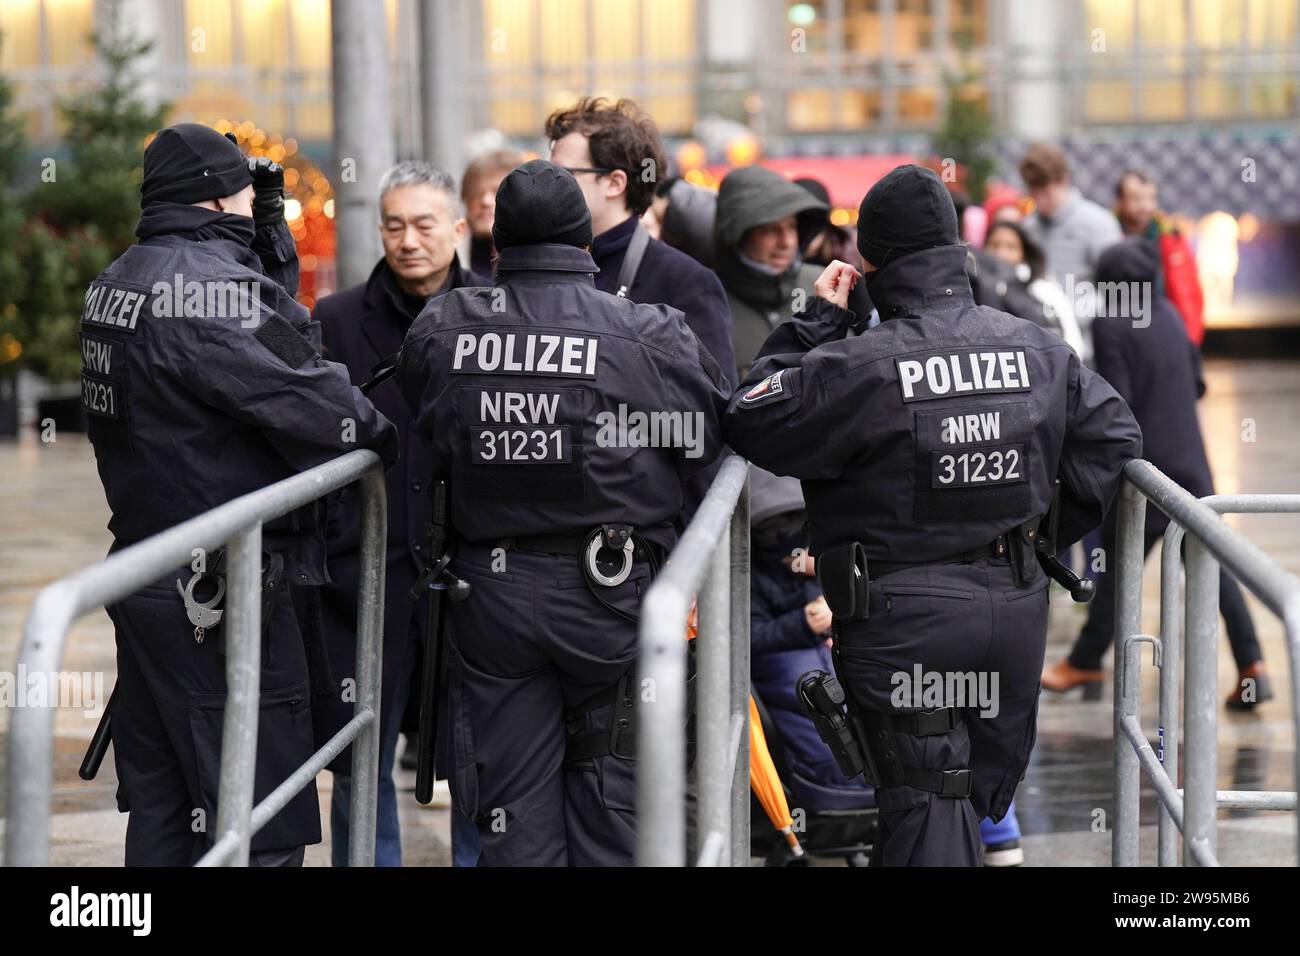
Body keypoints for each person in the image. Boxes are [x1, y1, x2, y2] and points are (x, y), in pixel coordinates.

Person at [724, 164, 1142, 866]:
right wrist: (1036, 535)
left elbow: (751, 414)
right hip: (1011, 614)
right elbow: (1114, 438)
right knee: (954, 807)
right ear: (959, 251)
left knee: (924, 807)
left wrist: (815, 324)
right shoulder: (1036, 348)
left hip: (902, 617)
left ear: (870, 262)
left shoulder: (857, 363)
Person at [397, 159, 730, 865]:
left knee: (512, 820)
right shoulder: (645, 332)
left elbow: (426, 408)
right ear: (585, 245)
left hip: (491, 600)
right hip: (612, 598)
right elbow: (710, 425)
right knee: (615, 810)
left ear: (494, 246)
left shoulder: (444, 326)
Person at [82, 123, 398, 866]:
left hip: (148, 573)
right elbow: (315, 398)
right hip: (225, 597)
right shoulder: (212, 293)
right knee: (258, 816)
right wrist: (377, 432)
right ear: (219, 197)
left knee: (164, 809)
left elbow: (253, 340)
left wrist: (260, 241)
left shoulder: (119, 278)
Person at [314, 161, 487, 867]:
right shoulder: (334, 321)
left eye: (423, 224)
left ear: (457, 226)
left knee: (480, 759)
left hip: (476, 575)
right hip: (368, 577)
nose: (408, 240)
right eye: (393, 224)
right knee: (362, 757)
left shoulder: (497, 313)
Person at [1041, 237, 1270, 708]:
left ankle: (1084, 660)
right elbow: (1199, 382)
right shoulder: (1168, 314)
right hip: (1192, 464)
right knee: (1212, 565)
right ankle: (1254, 665)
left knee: (1118, 568)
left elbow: (1115, 403)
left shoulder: (1111, 324)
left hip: (1147, 472)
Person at [546, 97, 735, 384]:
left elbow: (714, 405)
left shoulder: (687, 282)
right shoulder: (540, 266)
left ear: (615, 183)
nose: (549, 183)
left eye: (563, 173)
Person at [713, 164, 829, 377]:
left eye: (792, 226)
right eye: (769, 230)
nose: (787, 242)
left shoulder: (820, 284)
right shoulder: (709, 299)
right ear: (739, 234)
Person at [1019, 143, 1123, 364]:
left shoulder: (1098, 223)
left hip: (1090, 352)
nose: (1040, 198)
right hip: (1040, 350)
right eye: (1033, 190)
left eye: (1045, 189)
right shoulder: (1027, 229)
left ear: (1063, 181)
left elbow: (1117, 290)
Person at [1114, 169, 1206, 347]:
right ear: (1119, 202)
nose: (1146, 206)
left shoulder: (1171, 236)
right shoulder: (1106, 234)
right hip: (1124, 337)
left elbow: (1189, 293)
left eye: (1151, 198)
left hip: (1168, 336)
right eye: (1137, 199)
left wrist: (1190, 341)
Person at [984, 220, 1085, 355]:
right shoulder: (976, 287)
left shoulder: (1043, 289)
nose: (1001, 253)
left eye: (1011, 247)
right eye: (994, 245)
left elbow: (1071, 336)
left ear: (1024, 253)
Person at [460, 148, 522, 276]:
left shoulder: (537, 257)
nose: (485, 201)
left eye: (497, 191)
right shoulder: (449, 256)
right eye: (476, 193)